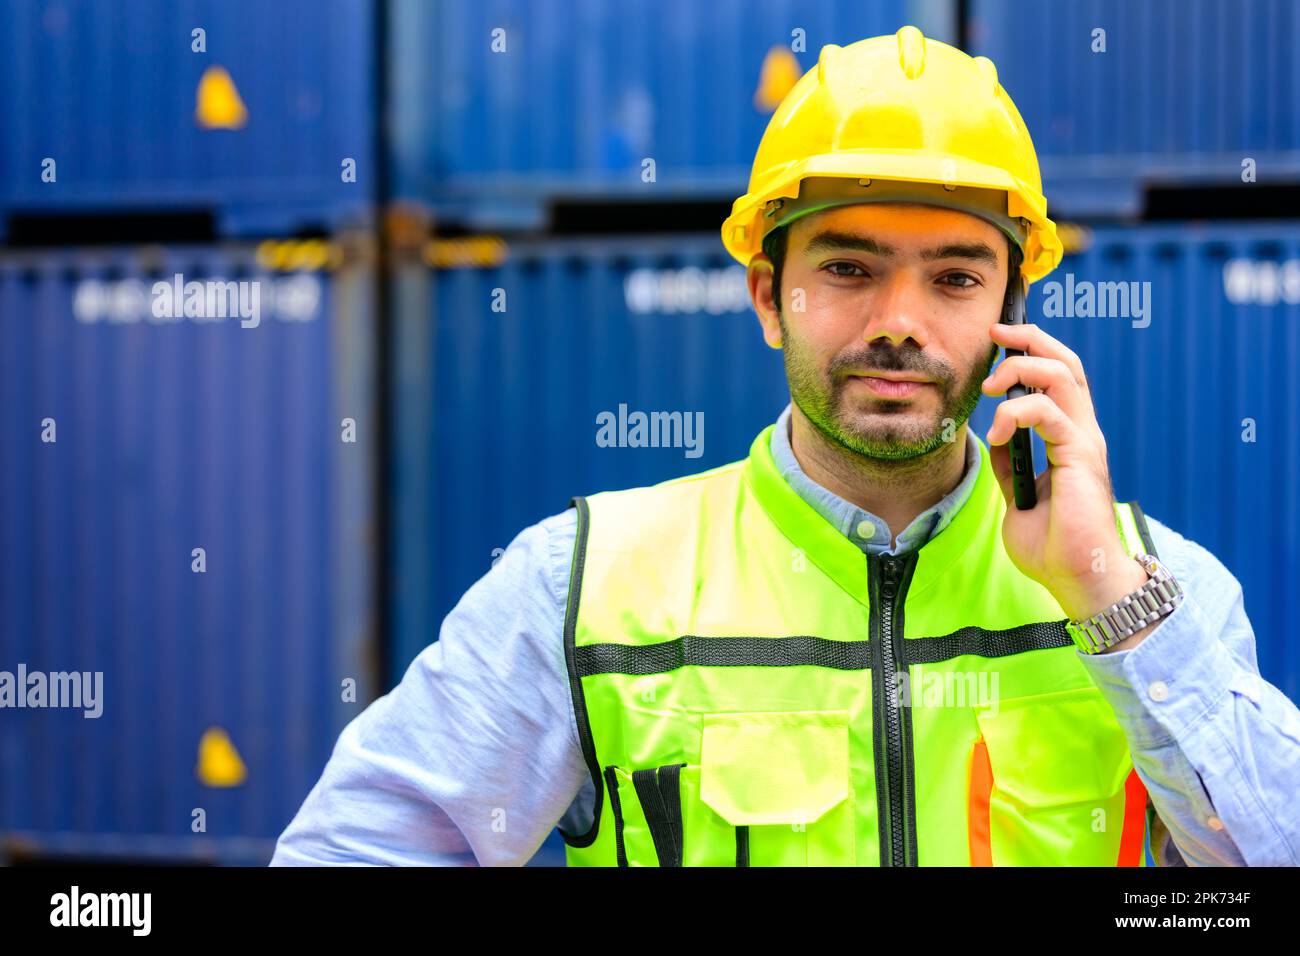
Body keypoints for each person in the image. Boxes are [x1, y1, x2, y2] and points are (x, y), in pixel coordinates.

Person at [271, 27, 1300, 866]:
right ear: (769, 296)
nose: (900, 320)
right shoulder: (582, 587)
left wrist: (1104, 595)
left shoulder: (1150, 593)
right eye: (848, 268)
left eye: (952, 277)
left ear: (1009, 315)